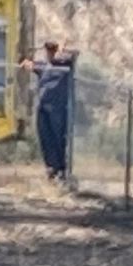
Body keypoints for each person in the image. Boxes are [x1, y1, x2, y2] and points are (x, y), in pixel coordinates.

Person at [24, 41, 76, 183]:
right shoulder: (44, 66)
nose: (50, 53)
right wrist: (28, 62)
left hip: (58, 109)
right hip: (43, 107)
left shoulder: (65, 65)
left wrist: (64, 50)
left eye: (53, 50)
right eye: (48, 50)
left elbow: (73, 56)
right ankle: (51, 169)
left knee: (58, 138)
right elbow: (28, 63)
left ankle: (61, 170)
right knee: (45, 138)